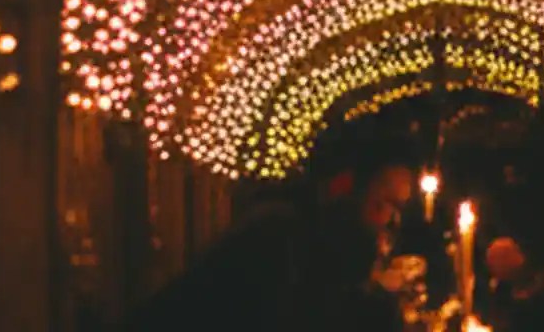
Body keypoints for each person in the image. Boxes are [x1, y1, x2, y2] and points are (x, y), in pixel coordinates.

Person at [123, 117, 417, 331]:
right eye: (381, 205)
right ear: (342, 187)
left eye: (394, 212)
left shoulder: (309, 239)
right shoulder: (277, 239)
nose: (385, 224)